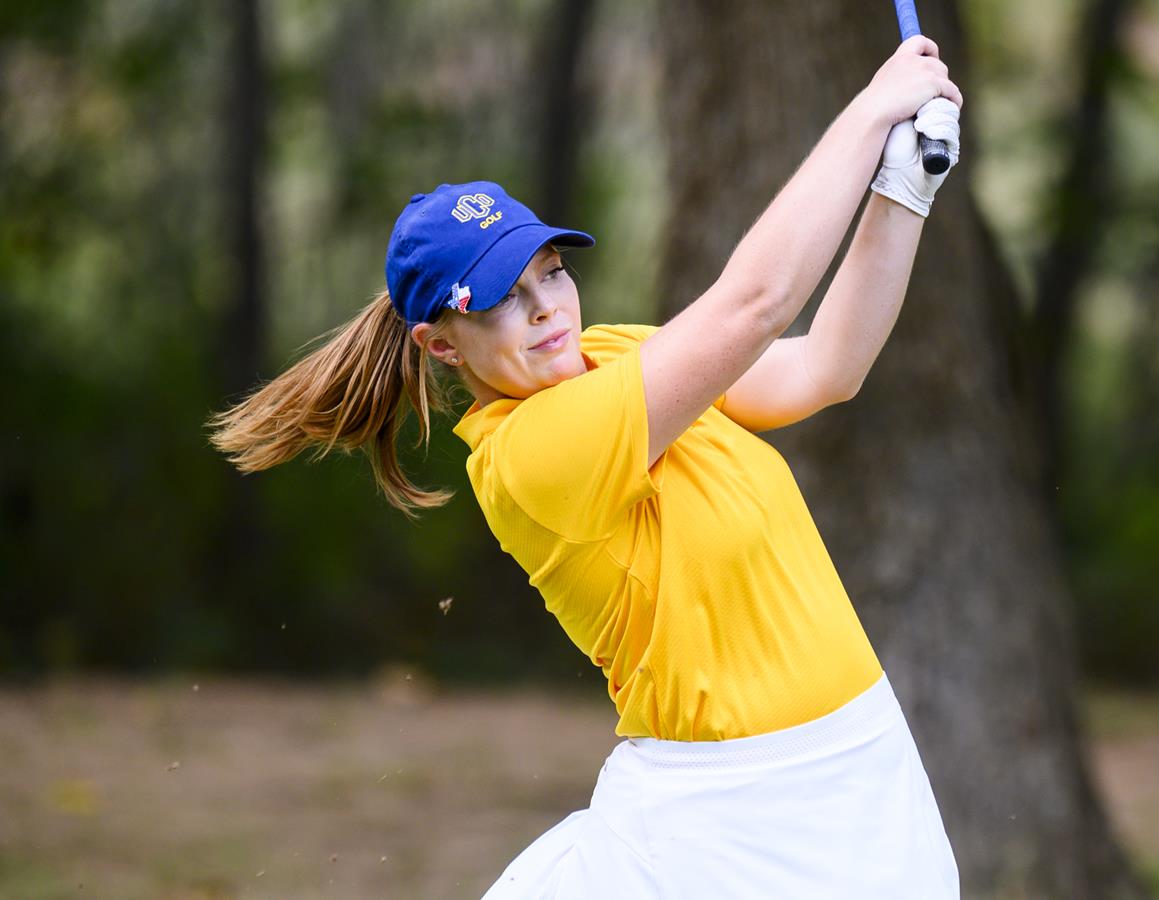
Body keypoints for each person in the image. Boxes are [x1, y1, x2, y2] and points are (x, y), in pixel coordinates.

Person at [210, 34, 964, 898]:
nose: (547, 312)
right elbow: (754, 305)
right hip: (729, 826)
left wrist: (903, 189)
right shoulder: (530, 454)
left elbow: (827, 365)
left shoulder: (612, 355)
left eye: (553, 274)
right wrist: (872, 111)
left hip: (861, 766)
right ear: (440, 344)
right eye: (503, 301)